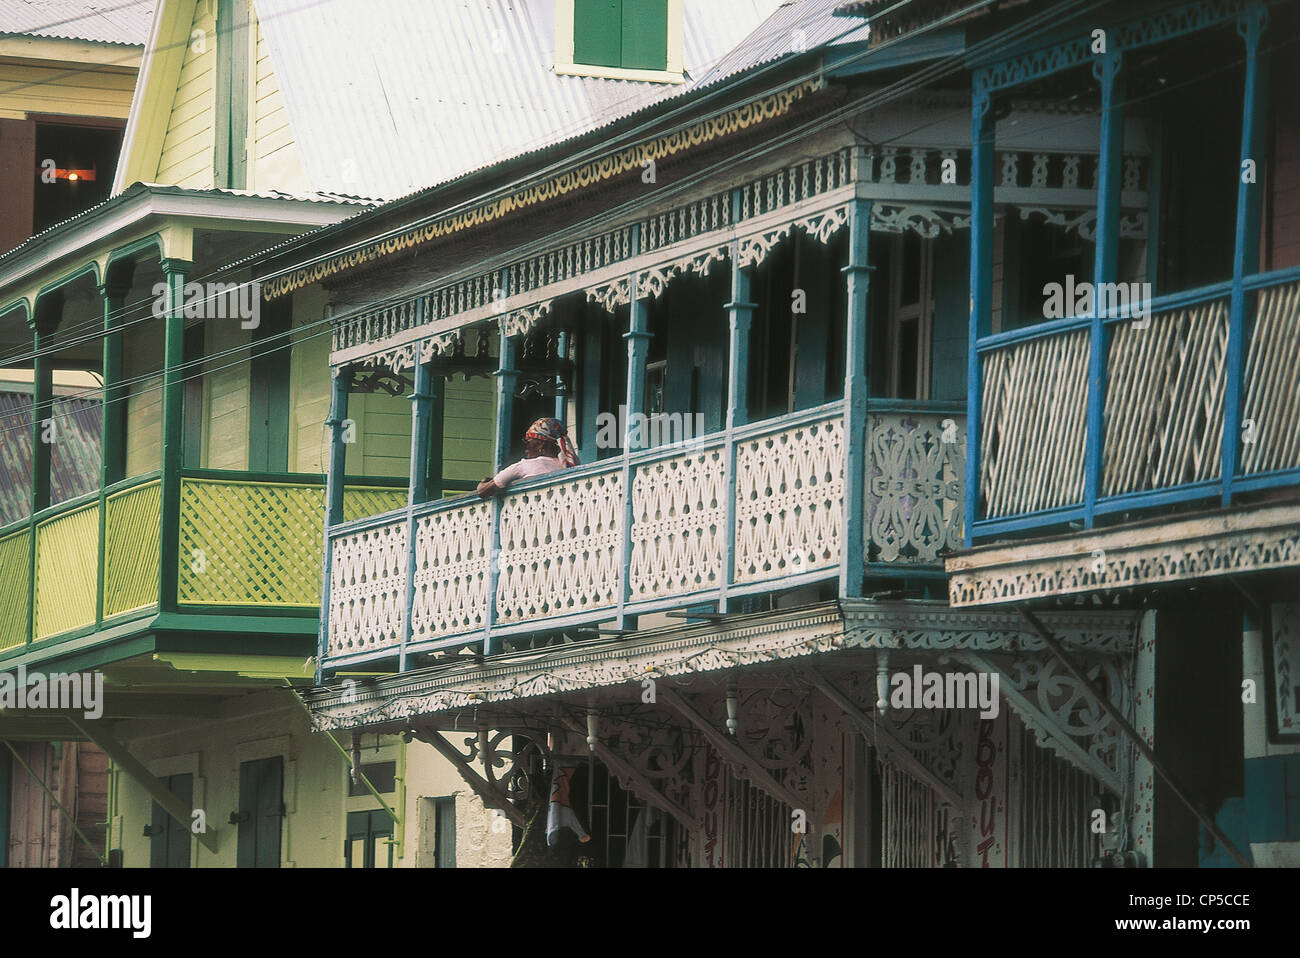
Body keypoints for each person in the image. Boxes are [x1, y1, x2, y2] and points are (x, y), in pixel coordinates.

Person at [477, 417, 579, 498]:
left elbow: (483, 492)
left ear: (540, 445)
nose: (525, 447)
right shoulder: (567, 465)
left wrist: (483, 482)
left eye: (528, 441)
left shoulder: (524, 466)